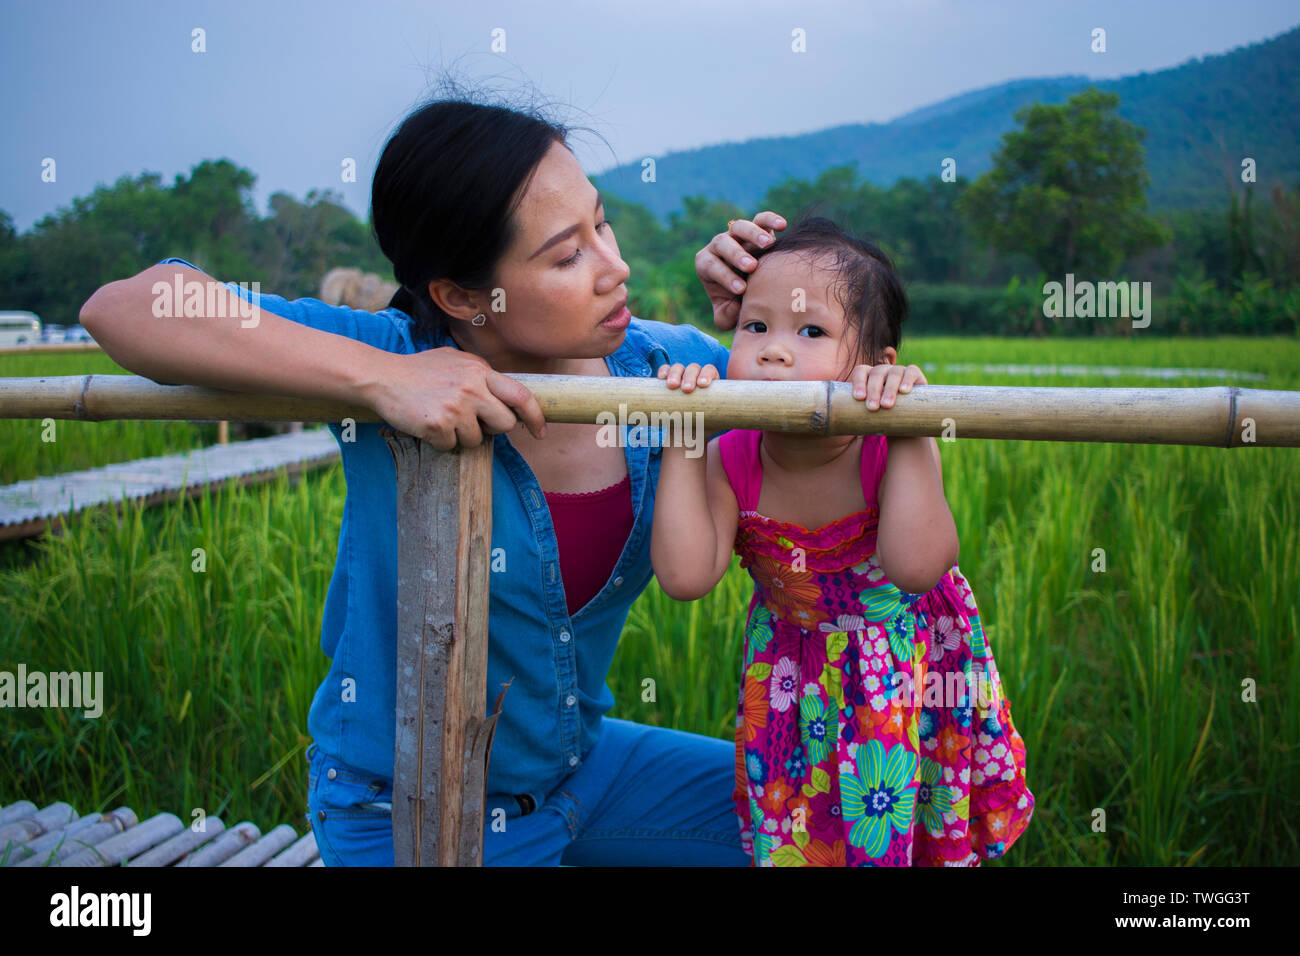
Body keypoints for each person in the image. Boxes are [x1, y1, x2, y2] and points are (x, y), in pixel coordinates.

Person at [77, 93, 887, 866]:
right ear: (463, 295)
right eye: (568, 254)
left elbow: (832, 423)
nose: (615, 267)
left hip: (583, 770)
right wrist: (378, 379)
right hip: (411, 807)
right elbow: (127, 307)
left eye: (601, 224)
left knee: (828, 821)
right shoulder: (390, 360)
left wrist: (762, 316)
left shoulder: (663, 369)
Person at [650, 216, 1035, 866]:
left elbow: (916, 567)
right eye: (755, 327)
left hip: (905, 673)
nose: (773, 351)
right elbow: (687, 577)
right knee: (803, 838)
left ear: (875, 368)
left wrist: (910, 426)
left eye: (810, 331)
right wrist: (684, 438)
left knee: (898, 825)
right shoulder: (731, 457)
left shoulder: (890, 449)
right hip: (790, 679)